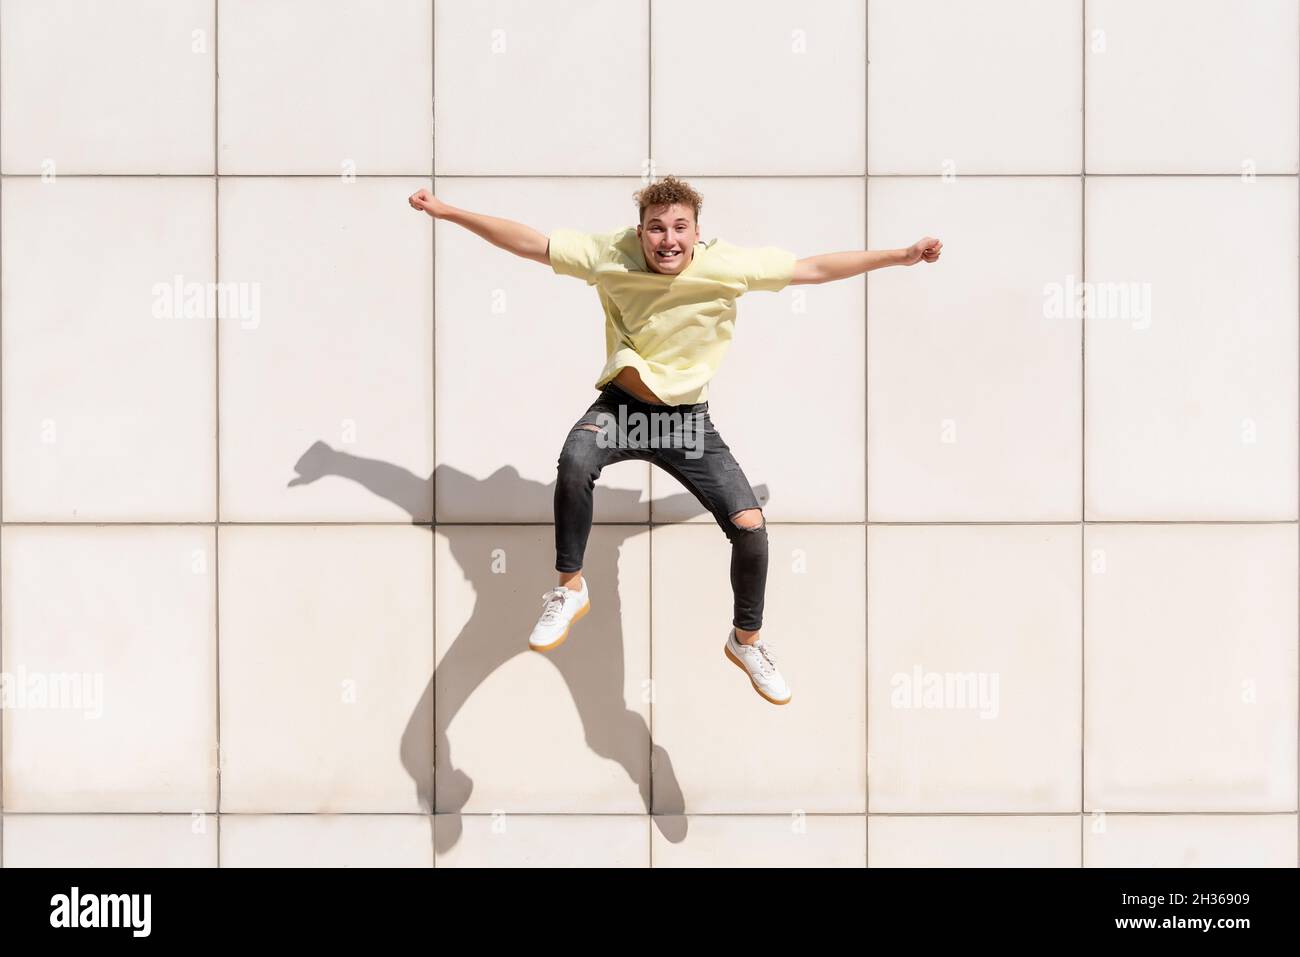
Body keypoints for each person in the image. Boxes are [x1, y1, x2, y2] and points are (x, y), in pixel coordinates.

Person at [409, 176, 941, 705]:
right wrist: (448, 211)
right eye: (656, 229)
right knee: (575, 462)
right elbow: (530, 242)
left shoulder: (726, 266)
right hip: (621, 409)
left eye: (679, 228)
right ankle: (569, 588)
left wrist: (901, 256)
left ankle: (746, 641)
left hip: (687, 424)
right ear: (639, 233)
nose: (668, 240)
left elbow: (815, 268)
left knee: (751, 529)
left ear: (696, 232)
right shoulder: (608, 254)